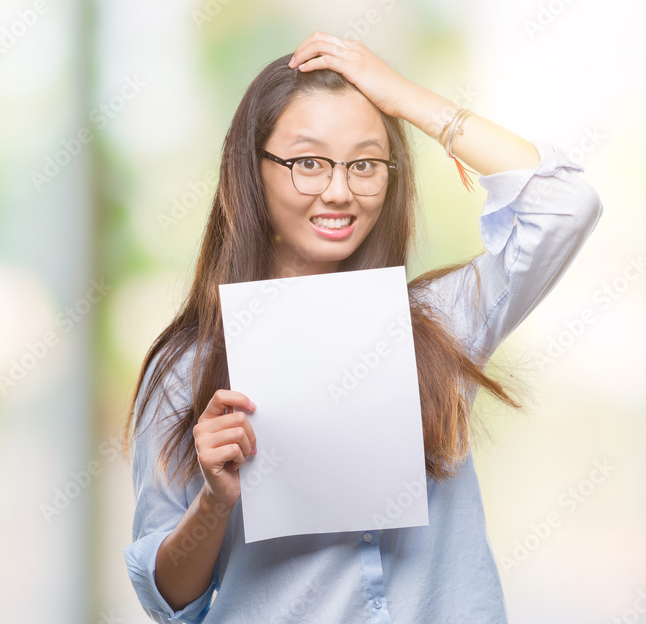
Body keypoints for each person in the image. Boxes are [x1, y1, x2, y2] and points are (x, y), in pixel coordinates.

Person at [122, 32, 602, 623]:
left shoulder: (440, 324)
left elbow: (565, 204)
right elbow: (168, 602)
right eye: (308, 163)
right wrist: (213, 505)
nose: (340, 191)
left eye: (366, 163)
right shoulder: (189, 367)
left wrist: (405, 99)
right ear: (253, 169)